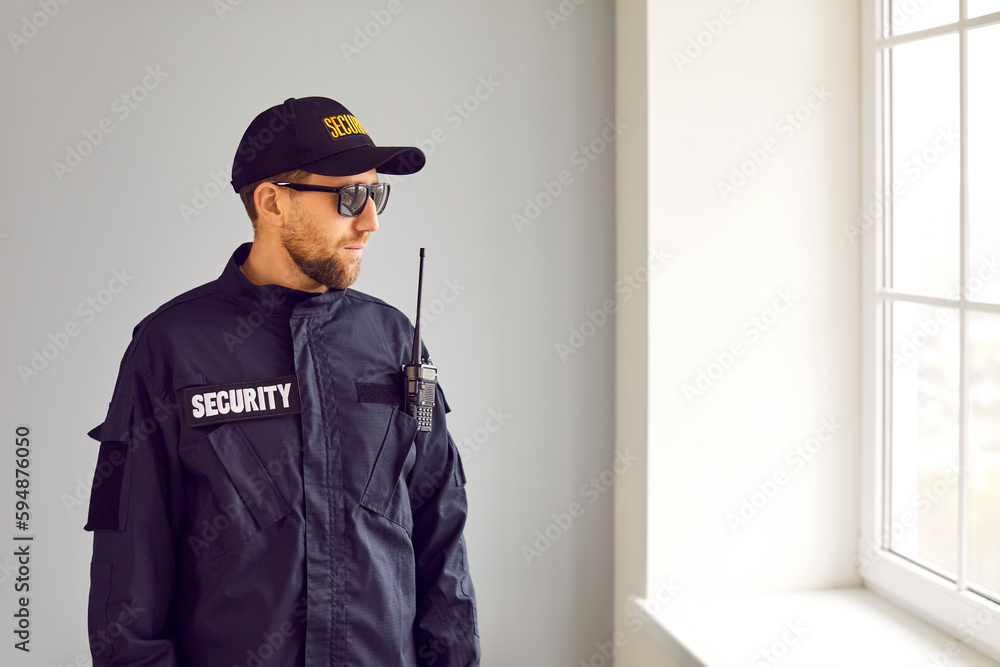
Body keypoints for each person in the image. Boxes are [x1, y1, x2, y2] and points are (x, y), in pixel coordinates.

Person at [83, 96, 480, 666]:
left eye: (377, 194)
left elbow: (442, 528)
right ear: (271, 202)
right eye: (349, 196)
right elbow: (129, 568)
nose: (369, 221)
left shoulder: (395, 341)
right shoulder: (171, 347)